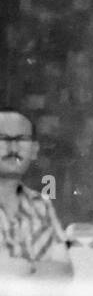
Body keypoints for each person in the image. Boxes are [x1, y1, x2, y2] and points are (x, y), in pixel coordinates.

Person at [0, 106, 70, 276]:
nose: (13, 148)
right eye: (3, 138)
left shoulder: (41, 205)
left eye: (21, 139)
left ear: (34, 150)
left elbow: (62, 270)